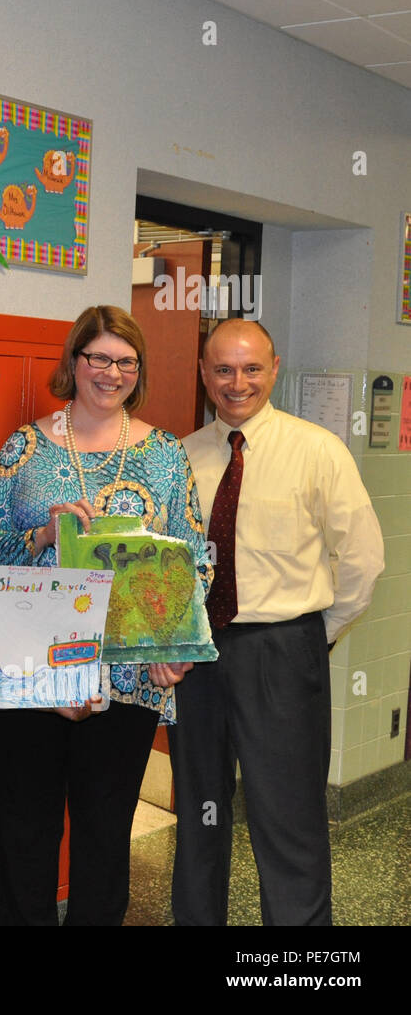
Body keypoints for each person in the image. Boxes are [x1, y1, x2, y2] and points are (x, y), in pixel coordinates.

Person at [0, 304, 210, 926]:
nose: (111, 372)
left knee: (104, 836)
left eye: (126, 361)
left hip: (124, 674)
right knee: (23, 831)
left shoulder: (166, 455)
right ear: (74, 361)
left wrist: (173, 646)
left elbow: (194, 559)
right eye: (98, 357)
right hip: (29, 668)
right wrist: (41, 535)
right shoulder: (24, 447)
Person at [171, 319, 383, 926]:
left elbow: (363, 562)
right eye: (223, 370)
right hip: (198, 656)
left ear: (275, 367)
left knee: (288, 821)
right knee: (201, 814)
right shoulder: (182, 457)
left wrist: (314, 636)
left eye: (251, 368)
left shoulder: (318, 450)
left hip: (283, 652)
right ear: (205, 374)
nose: (237, 383)